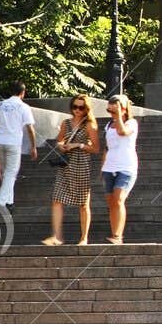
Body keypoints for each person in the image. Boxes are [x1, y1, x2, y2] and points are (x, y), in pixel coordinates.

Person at [42, 95, 98, 246]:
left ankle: (84, 238)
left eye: (81, 107)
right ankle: (56, 236)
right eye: (75, 107)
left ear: (87, 109)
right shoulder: (66, 123)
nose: (77, 110)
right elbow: (59, 139)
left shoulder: (90, 125)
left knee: (83, 203)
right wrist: (61, 145)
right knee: (56, 199)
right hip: (66, 164)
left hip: (81, 164)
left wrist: (78, 145)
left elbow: (95, 148)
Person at [0, 83, 37, 208]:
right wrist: (33, 146)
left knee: (6, 173)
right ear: (23, 92)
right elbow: (30, 129)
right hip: (13, 143)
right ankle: (0, 199)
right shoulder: (24, 107)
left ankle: (9, 203)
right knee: (11, 172)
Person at [101, 94, 139, 244]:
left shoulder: (131, 123)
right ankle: (113, 233)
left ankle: (118, 235)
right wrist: (102, 167)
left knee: (118, 199)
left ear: (124, 109)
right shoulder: (108, 125)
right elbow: (107, 147)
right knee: (111, 201)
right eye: (109, 111)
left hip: (126, 166)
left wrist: (118, 117)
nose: (112, 114)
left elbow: (122, 132)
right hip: (109, 166)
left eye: (115, 110)